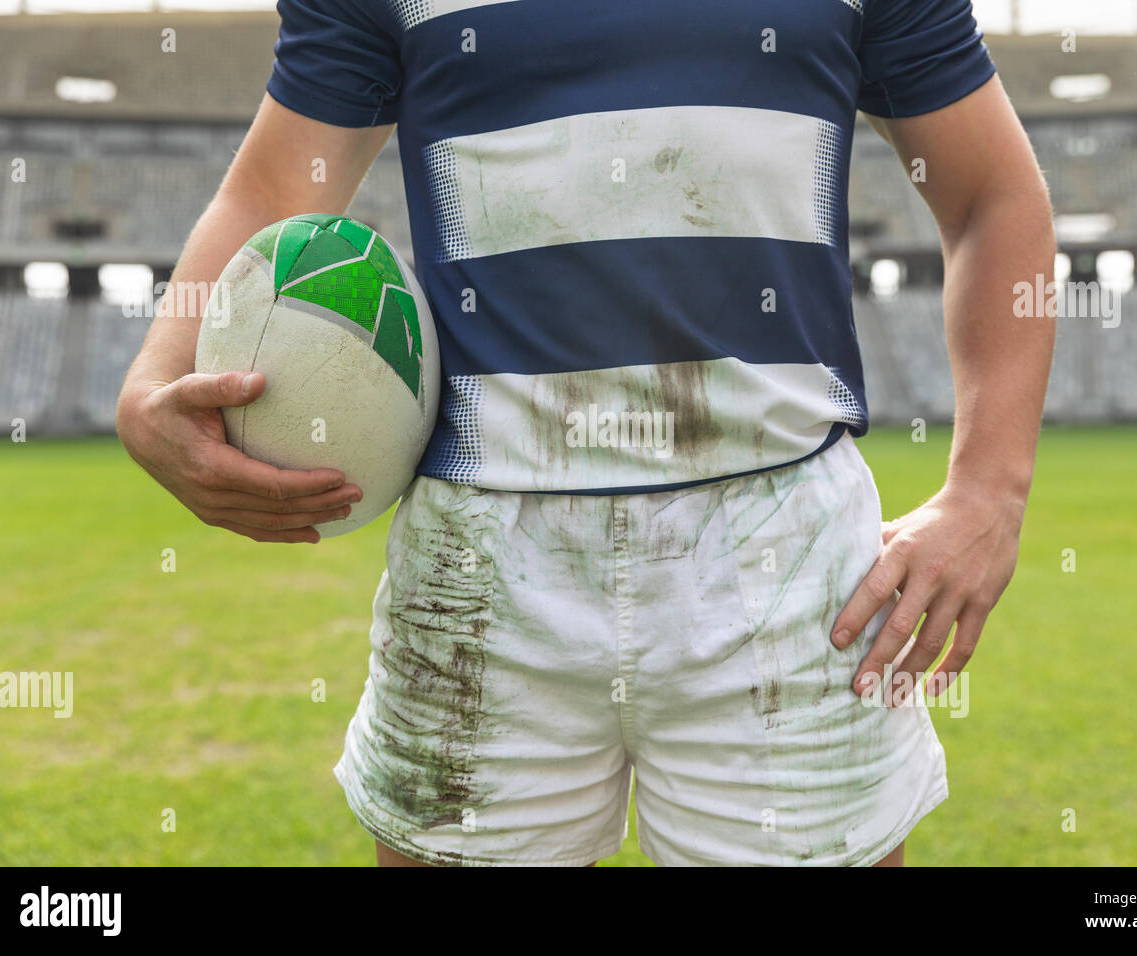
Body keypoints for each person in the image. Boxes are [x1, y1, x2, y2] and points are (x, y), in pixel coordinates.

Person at [117, 0, 1055, 866]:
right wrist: (154, 379)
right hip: (480, 560)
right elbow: (280, 182)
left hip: (789, 554)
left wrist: (990, 488)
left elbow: (991, 194)